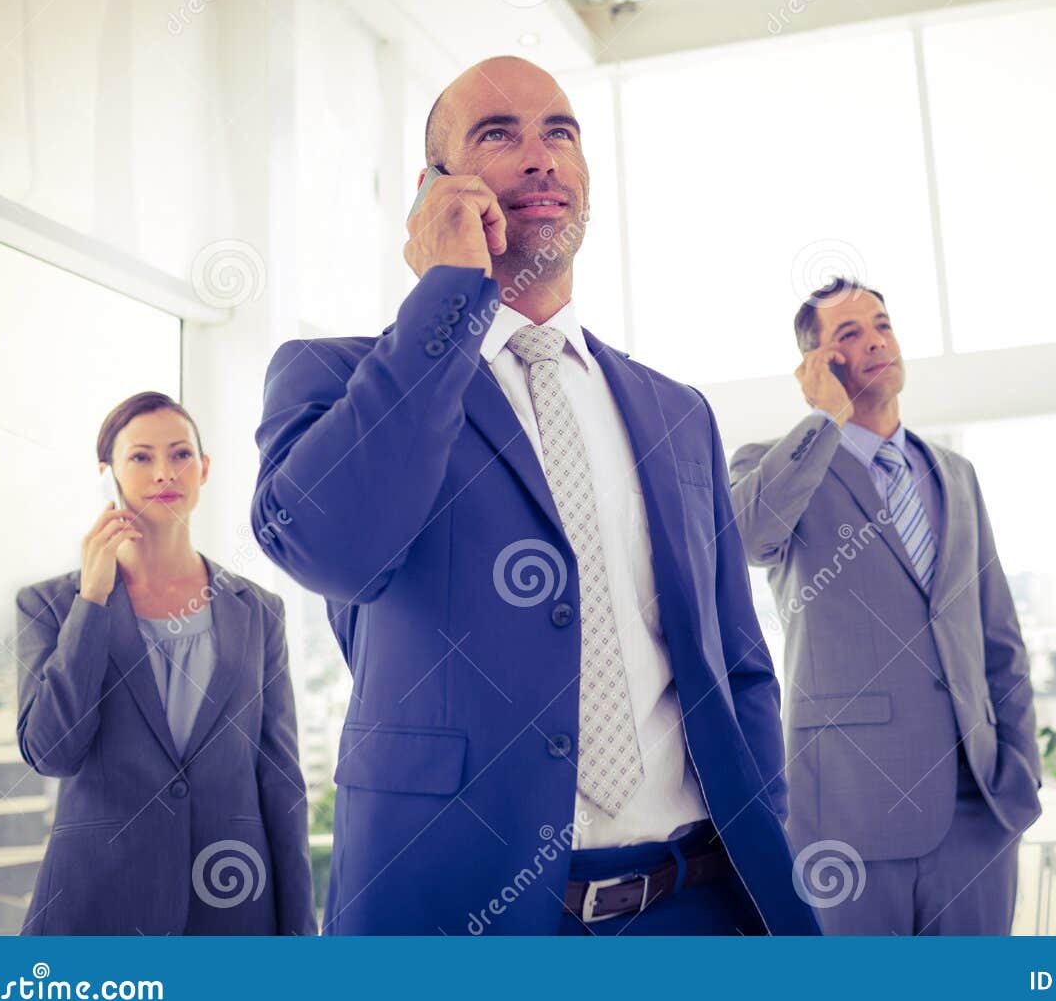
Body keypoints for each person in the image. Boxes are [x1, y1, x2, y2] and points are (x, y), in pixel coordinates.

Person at [251, 55, 820, 935]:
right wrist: (448, 294)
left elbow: (738, 663)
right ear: (433, 189)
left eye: (560, 131)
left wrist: (765, 844)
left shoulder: (676, 412)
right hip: (460, 915)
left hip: (696, 909)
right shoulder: (337, 377)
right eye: (497, 134)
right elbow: (334, 546)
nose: (540, 156)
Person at [728, 280, 1041, 935]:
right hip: (848, 815)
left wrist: (1021, 776)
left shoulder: (955, 473)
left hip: (979, 815)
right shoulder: (777, 463)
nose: (874, 341)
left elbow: (999, 636)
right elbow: (746, 538)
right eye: (848, 334)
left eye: (882, 324)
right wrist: (821, 420)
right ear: (816, 364)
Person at [15, 392, 315, 935]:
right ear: (107, 474)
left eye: (179, 455)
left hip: (233, 910)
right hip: (97, 905)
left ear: (204, 469)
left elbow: (281, 779)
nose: (163, 473)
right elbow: (53, 752)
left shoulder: (258, 612)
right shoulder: (51, 606)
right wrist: (93, 599)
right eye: (140, 457)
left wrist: (297, 932)